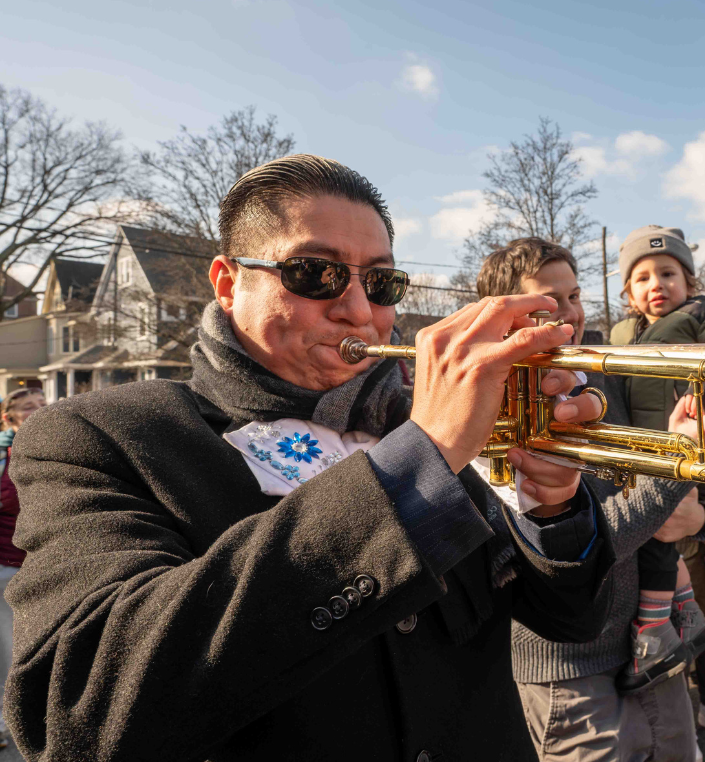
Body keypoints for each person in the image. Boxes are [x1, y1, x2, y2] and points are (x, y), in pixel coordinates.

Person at [5, 155, 620, 762]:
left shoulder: (425, 423)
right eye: (313, 273)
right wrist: (421, 460)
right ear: (227, 283)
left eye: (380, 283)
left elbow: (571, 620)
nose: (357, 310)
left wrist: (554, 502)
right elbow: (77, 714)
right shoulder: (98, 435)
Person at [477, 237, 705, 761]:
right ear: (504, 313)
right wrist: (675, 474)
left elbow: (657, 503)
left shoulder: (597, 373)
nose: (571, 316)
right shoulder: (487, 406)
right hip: (567, 670)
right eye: (551, 303)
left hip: (651, 647)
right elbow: (565, 548)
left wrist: (700, 516)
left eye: (575, 296)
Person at [609, 225, 705, 742]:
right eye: (642, 277)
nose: (656, 285)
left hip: (691, 463)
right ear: (627, 292)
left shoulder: (704, 316)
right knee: (658, 561)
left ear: (688, 281)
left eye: (668, 273)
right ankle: (669, 633)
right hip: (640, 468)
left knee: (681, 561)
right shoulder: (622, 336)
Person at [0, 387, 46, 750]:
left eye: (42, 405)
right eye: (28, 408)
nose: (37, 411)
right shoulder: (5, 455)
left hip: (46, 566)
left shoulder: (59, 447)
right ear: (9, 418)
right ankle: (9, 723)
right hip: (6, 566)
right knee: (8, 649)